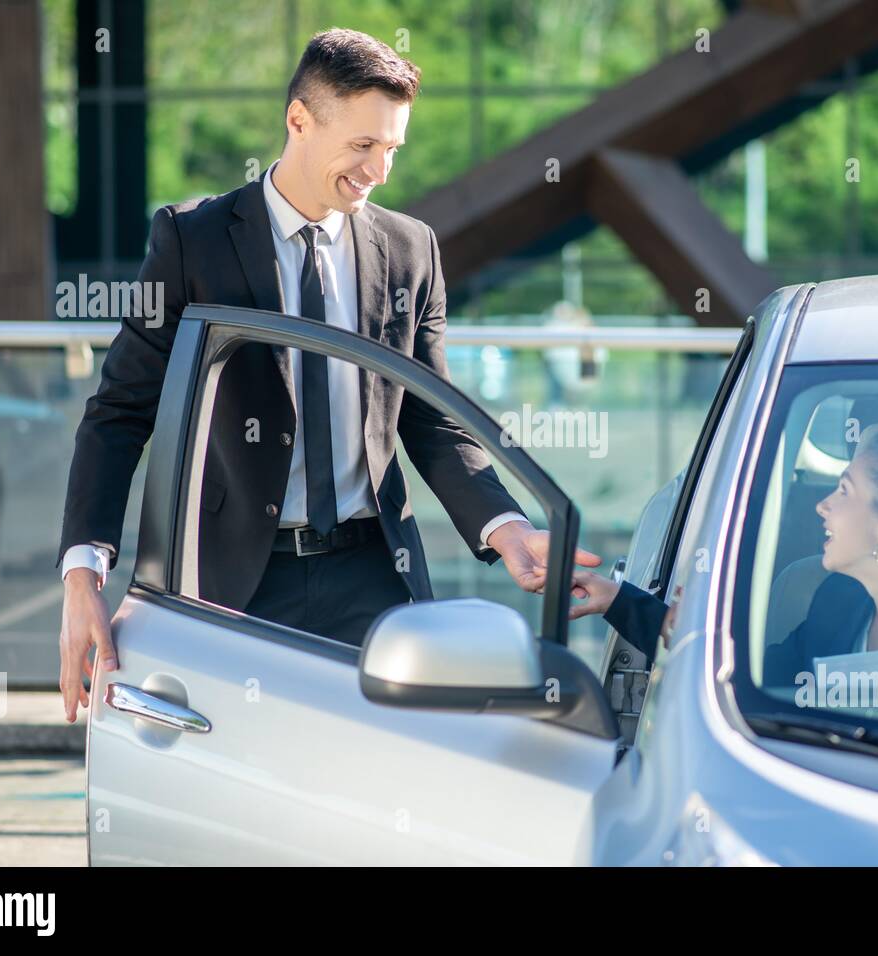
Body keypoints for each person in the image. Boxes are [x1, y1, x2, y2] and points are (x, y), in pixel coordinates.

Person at [57, 28, 600, 722]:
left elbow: (430, 418)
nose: (379, 171)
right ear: (299, 121)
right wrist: (82, 576)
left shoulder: (410, 251)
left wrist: (505, 528)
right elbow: (119, 413)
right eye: (364, 146)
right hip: (234, 582)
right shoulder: (193, 242)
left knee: (389, 786)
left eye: (392, 149)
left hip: (371, 574)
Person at [572, 408, 878, 688]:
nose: (822, 506)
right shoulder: (837, 606)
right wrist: (616, 599)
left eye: (844, 492)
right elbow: (745, 677)